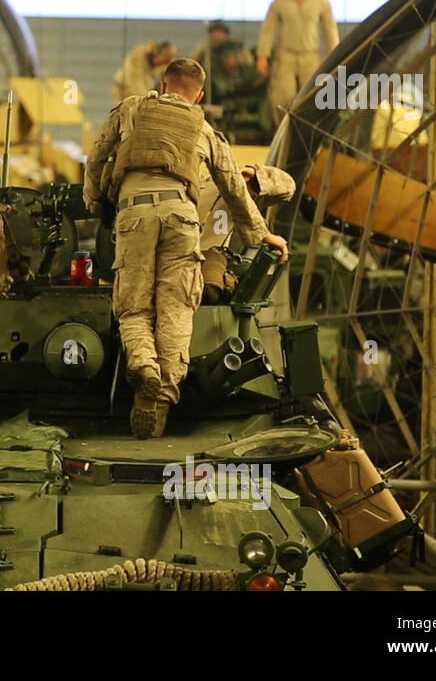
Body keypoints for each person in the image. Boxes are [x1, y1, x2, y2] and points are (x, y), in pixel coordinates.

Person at [84, 58, 290, 439]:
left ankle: (144, 366)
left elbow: (97, 156)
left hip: (135, 213)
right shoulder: (205, 129)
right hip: (182, 216)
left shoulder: (130, 108)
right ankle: (162, 395)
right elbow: (234, 188)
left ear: (162, 86)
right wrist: (263, 236)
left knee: (134, 307)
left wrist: (94, 199)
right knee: (177, 307)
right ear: (198, 96)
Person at [256, 0, 340, 124]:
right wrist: (262, 55)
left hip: (310, 55)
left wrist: (334, 54)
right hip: (286, 55)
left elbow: (330, 29)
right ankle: (282, 131)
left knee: (312, 96)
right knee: (281, 97)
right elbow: (268, 28)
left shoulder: (320, 1)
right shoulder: (281, 1)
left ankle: (307, 133)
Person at [112, 41, 176, 103]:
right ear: (158, 53)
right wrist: (145, 101)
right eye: (164, 60)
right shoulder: (138, 58)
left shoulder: (159, 65)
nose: (162, 65)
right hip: (125, 92)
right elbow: (135, 82)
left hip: (144, 93)